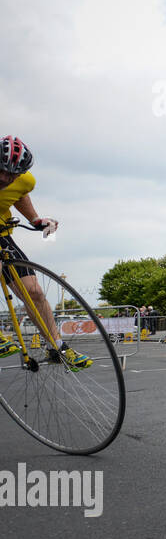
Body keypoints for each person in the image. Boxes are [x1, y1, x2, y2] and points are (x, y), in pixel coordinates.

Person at [0, 136, 92, 369]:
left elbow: (19, 194)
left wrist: (35, 219)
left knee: (34, 291)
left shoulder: (24, 180)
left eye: (12, 175)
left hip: (2, 233)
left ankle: (57, 346)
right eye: (1, 171)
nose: (4, 178)